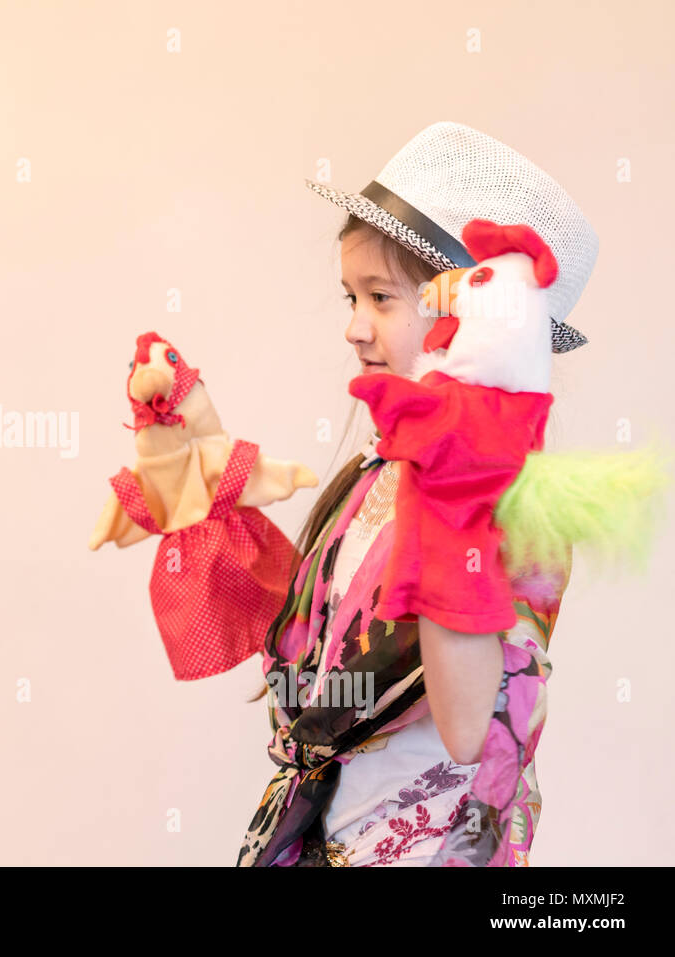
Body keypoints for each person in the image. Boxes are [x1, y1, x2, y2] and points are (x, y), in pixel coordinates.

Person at [236, 121, 597, 866]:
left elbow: (468, 727)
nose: (353, 327)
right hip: (326, 838)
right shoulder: (375, 474)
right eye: (349, 295)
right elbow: (330, 658)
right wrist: (216, 527)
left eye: (380, 297)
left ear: (473, 324)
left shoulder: (515, 520)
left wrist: (451, 496)